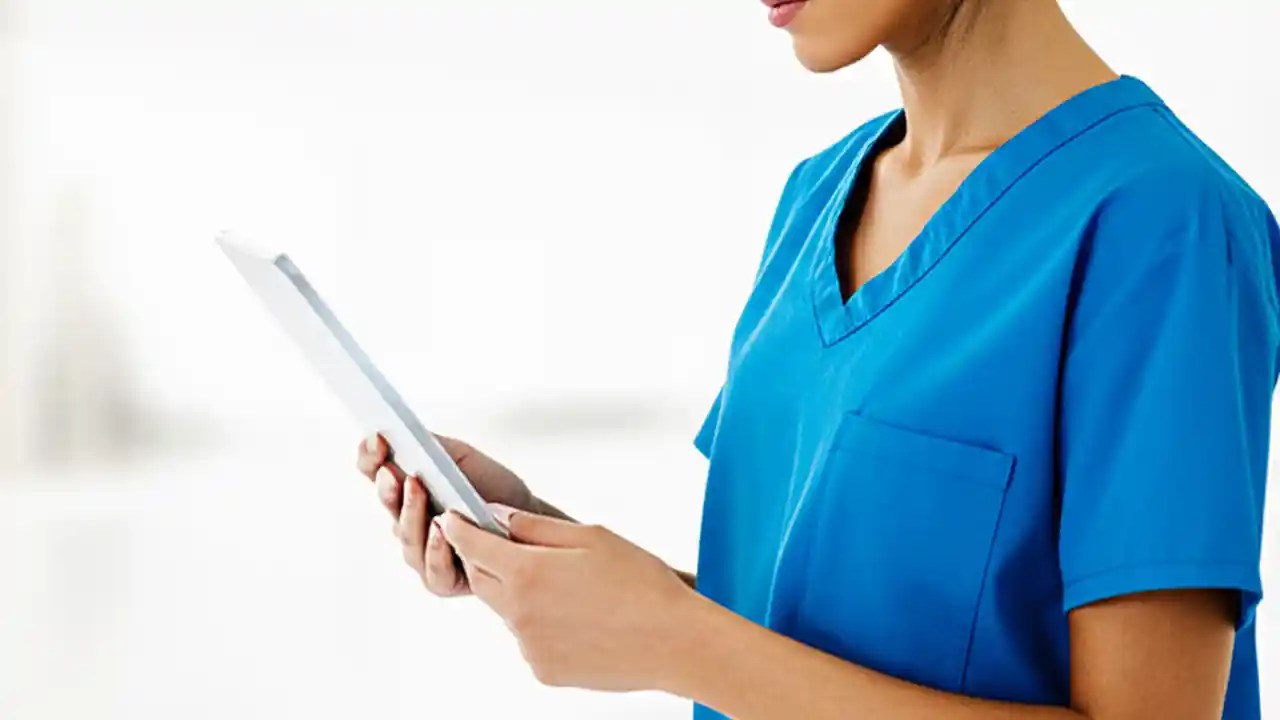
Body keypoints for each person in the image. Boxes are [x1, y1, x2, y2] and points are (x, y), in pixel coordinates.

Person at [356, 0, 1280, 717]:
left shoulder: (1165, 228)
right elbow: (797, 628)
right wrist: (541, 550)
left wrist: (677, 642)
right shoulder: (817, 199)